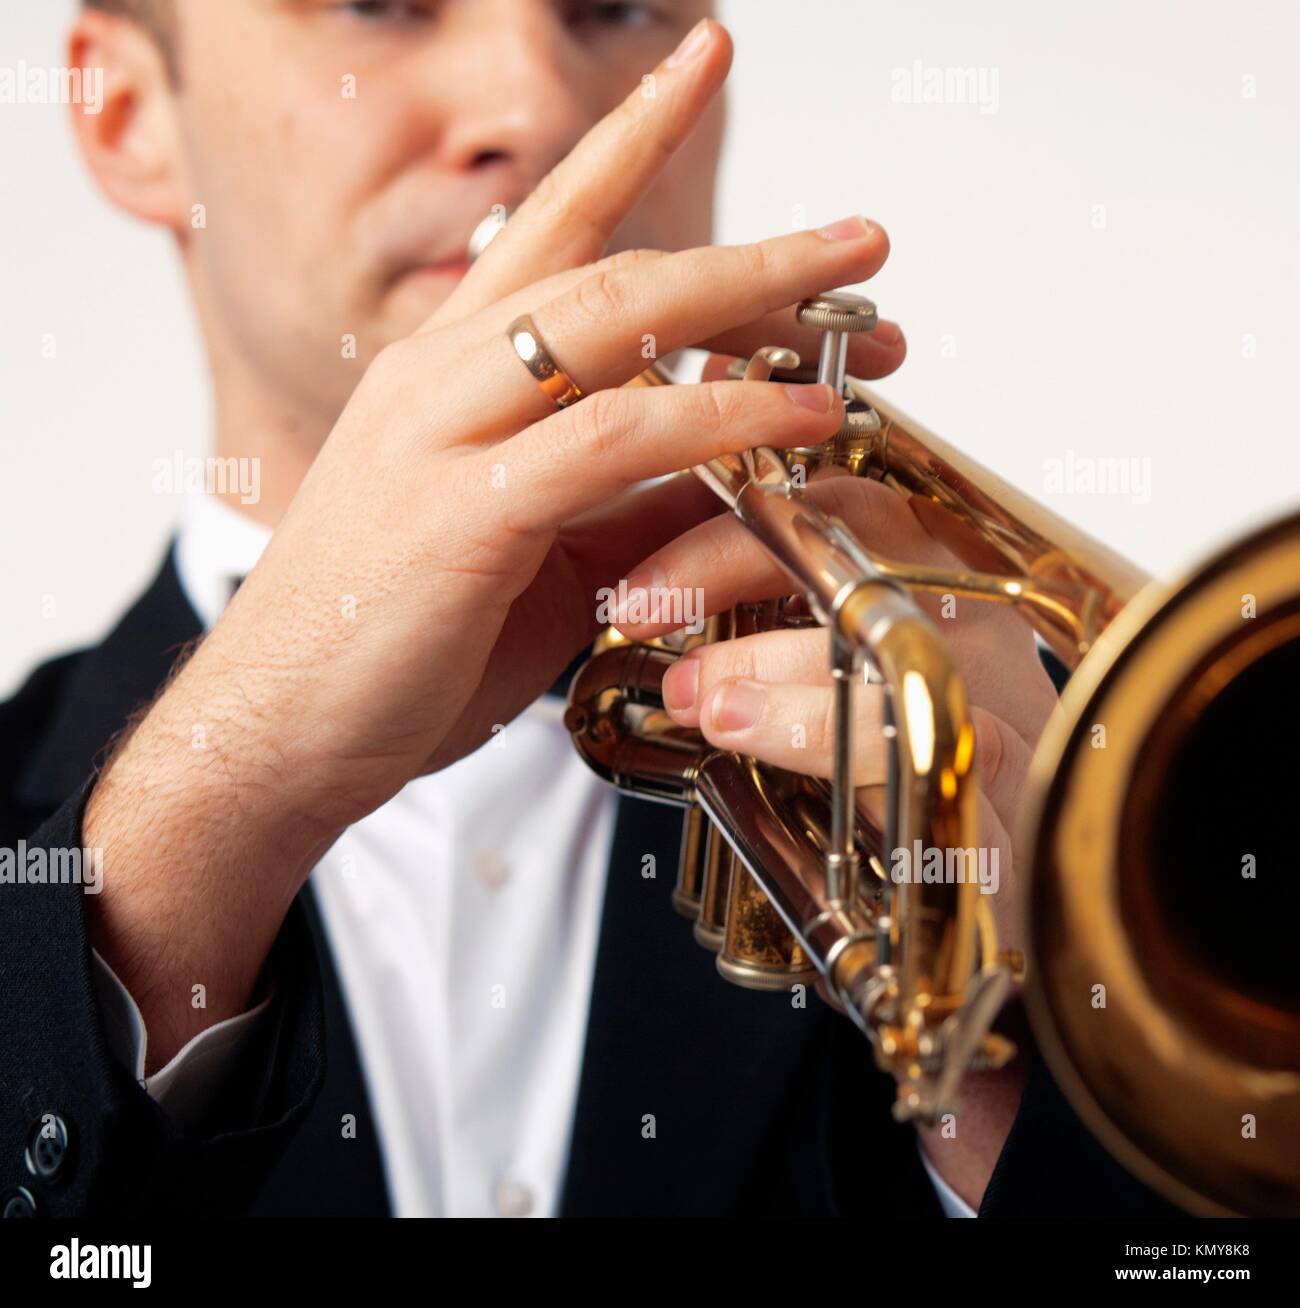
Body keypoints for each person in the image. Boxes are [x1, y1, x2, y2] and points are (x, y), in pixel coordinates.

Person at [0, 0, 1176, 1218]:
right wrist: (222, 789)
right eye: (382, 8)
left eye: (618, 9)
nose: (538, 108)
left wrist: (1040, 1077)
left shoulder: (1070, 793)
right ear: (129, 113)